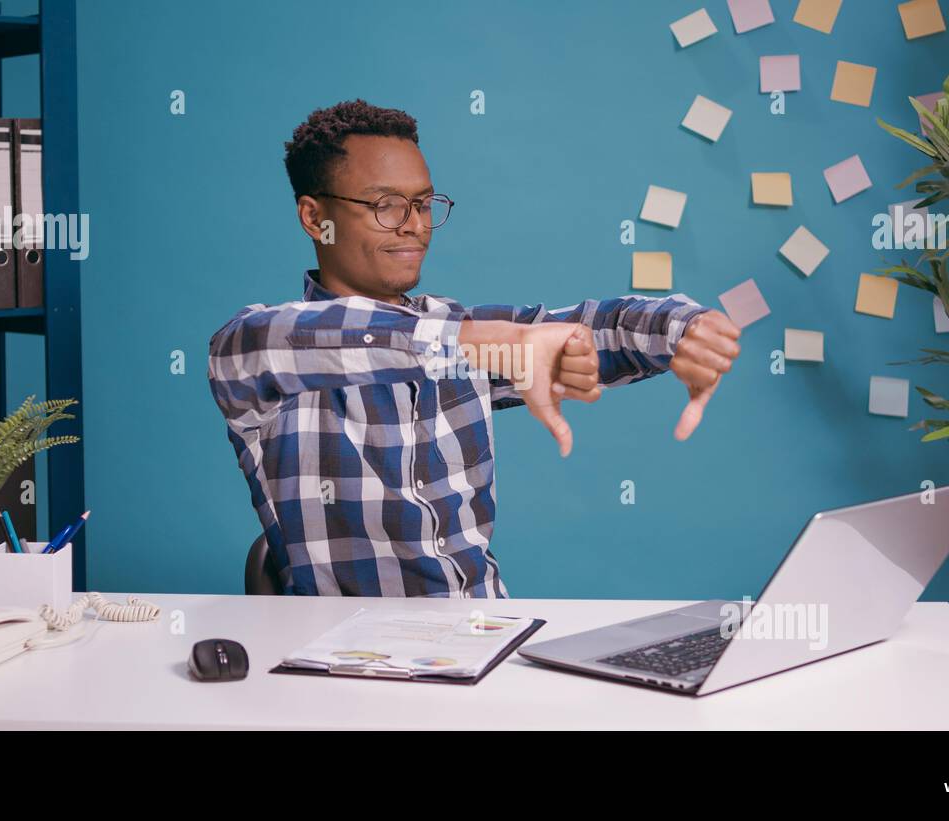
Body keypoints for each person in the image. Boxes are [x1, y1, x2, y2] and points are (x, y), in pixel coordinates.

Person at [209, 99, 741, 597]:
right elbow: (318, 339)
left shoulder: (459, 333)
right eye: (386, 205)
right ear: (313, 217)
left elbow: (594, 326)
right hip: (348, 667)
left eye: (422, 203)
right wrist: (491, 341)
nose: (415, 225)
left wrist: (685, 330)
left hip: (484, 636)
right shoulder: (261, 348)